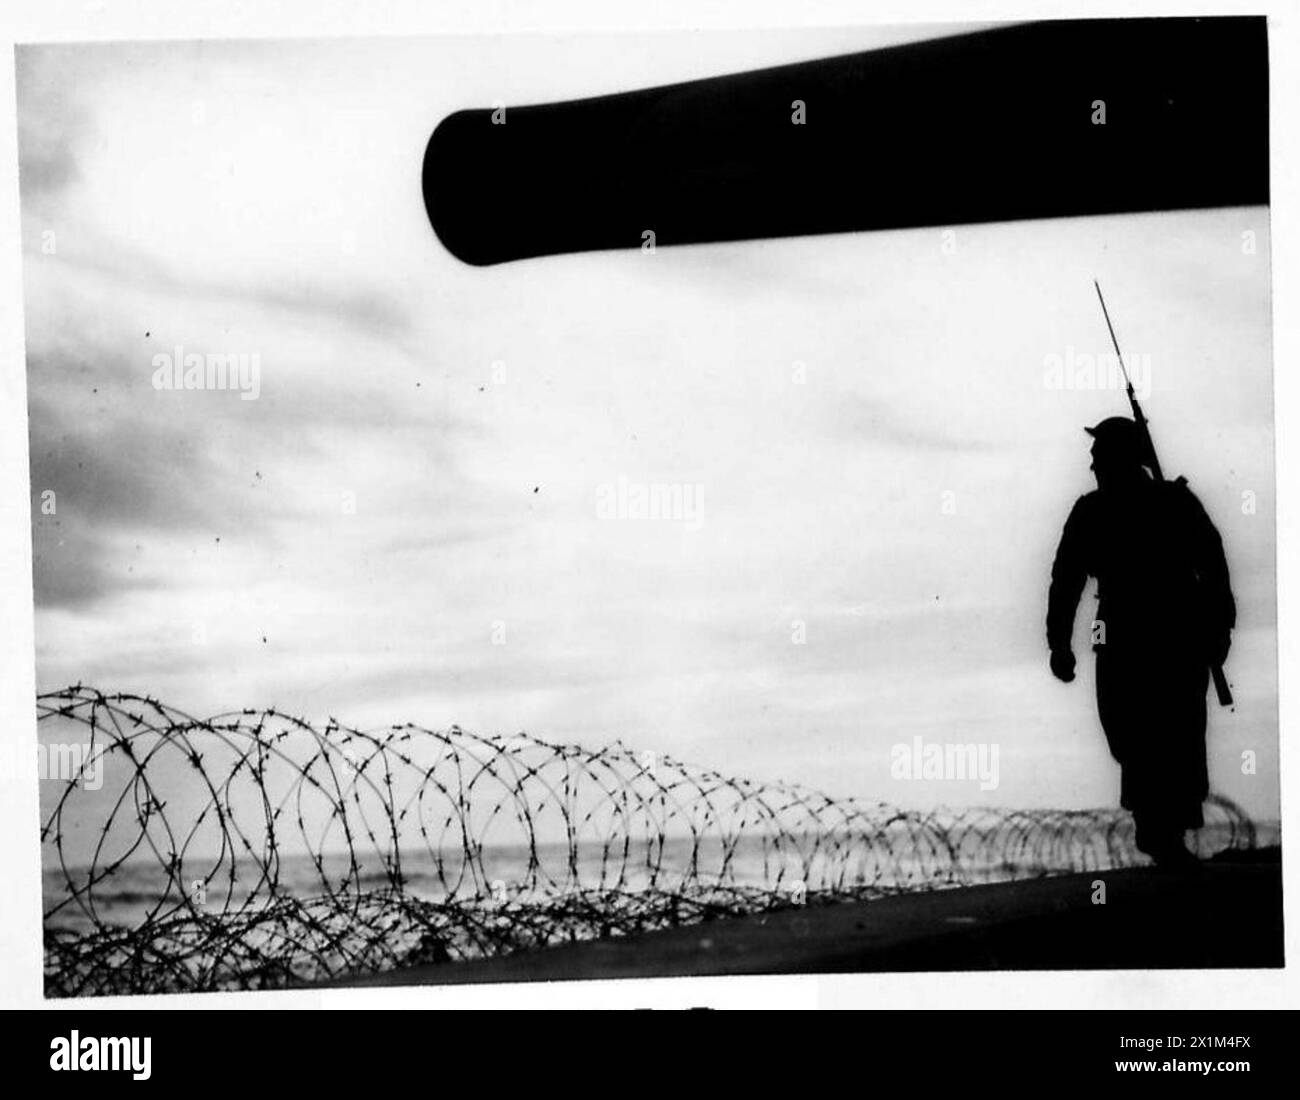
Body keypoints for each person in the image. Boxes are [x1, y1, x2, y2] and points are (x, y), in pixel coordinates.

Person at [1046, 416, 1235, 866]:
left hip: (1165, 636)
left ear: (1122, 457)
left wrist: (1218, 627)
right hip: (1117, 633)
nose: (1092, 463)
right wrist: (1059, 642)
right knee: (1132, 732)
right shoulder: (1102, 509)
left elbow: (1212, 563)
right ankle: (1161, 829)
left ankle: (1161, 832)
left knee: (1170, 733)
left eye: (1099, 454)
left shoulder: (1169, 502)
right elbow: (1066, 579)